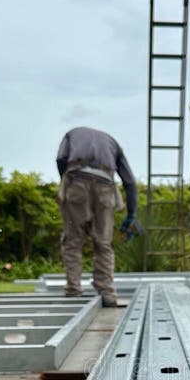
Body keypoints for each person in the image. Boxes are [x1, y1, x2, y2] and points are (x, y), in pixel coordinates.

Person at [56, 126, 137, 304]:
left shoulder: (72, 134)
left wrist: (67, 181)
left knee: (73, 240)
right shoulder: (113, 142)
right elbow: (129, 181)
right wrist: (131, 213)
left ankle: (73, 289)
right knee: (103, 243)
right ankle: (107, 292)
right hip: (105, 186)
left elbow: (61, 158)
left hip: (77, 181)